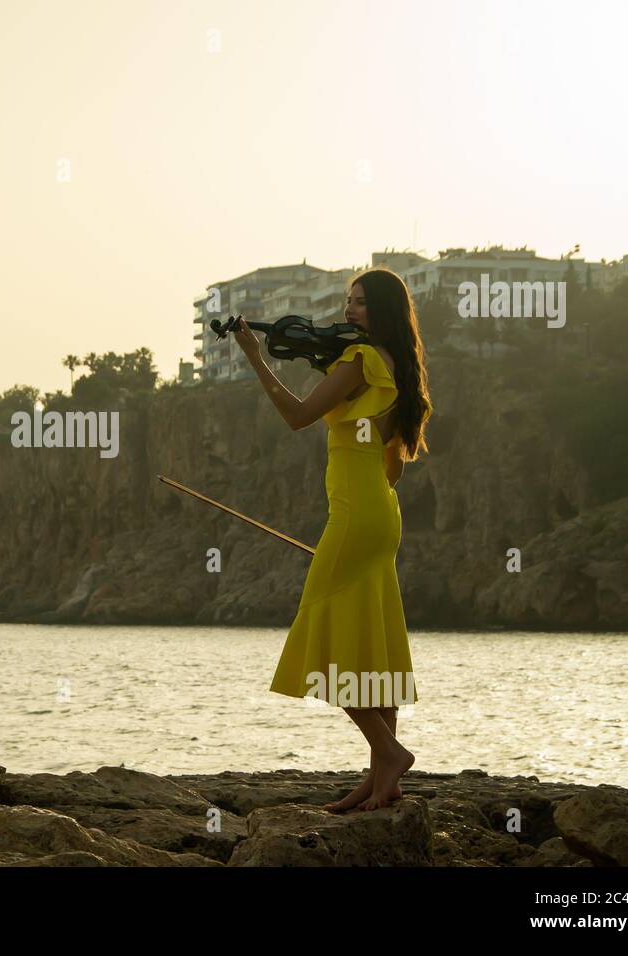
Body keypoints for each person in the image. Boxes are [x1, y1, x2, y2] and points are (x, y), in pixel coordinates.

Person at [230, 268, 433, 812]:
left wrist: (255, 357)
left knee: (321, 633)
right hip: (379, 513)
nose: (349, 312)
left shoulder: (359, 361)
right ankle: (379, 782)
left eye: (361, 304)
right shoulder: (395, 367)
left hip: (355, 516)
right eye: (348, 301)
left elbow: (298, 415)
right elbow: (392, 468)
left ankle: (388, 753)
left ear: (384, 311)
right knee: (372, 638)